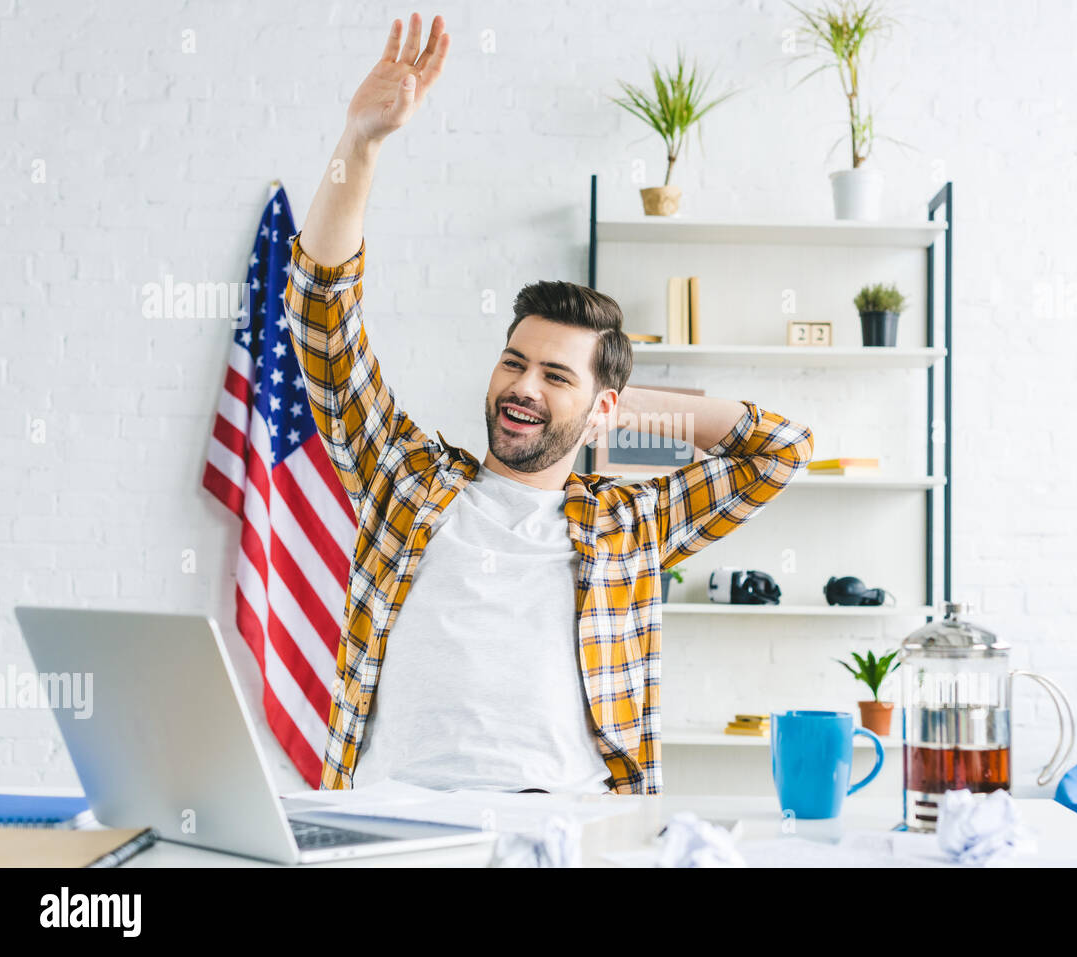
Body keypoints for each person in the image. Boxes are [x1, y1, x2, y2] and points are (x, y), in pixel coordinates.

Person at [284, 12, 814, 795]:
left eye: (555, 376)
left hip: (564, 828)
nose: (524, 386)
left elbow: (780, 449)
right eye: (514, 362)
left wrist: (617, 403)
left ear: (600, 408)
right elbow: (323, 318)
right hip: (394, 823)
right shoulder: (405, 479)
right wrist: (360, 141)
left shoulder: (629, 527)